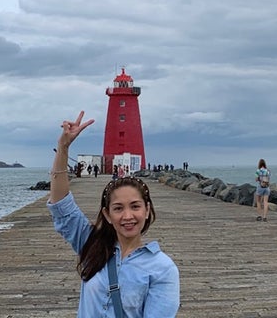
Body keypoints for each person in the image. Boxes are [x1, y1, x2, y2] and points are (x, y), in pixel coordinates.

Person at [47, 111, 180, 317]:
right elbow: (61, 206)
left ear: (147, 210)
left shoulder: (162, 268)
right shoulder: (91, 244)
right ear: (107, 215)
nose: (127, 216)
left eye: (135, 206)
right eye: (118, 208)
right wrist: (63, 147)